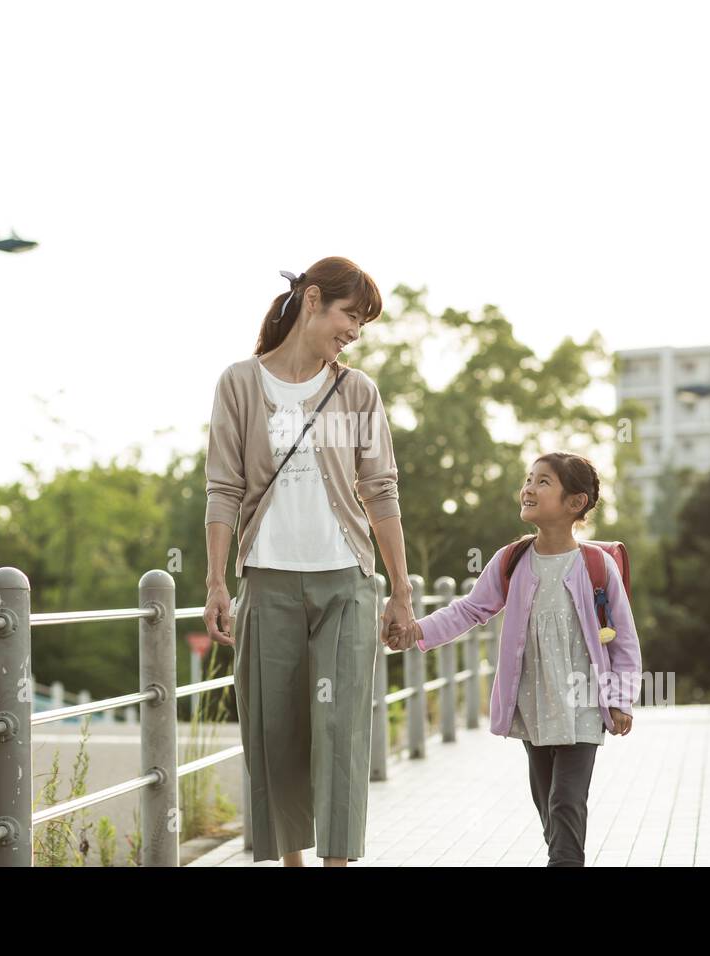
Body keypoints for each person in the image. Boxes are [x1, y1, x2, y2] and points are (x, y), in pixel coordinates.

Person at [203, 256, 416, 866]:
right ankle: (292, 862)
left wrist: (399, 589)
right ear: (313, 300)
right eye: (350, 316)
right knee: (274, 732)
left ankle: (338, 862)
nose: (355, 332)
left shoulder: (357, 391)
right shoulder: (240, 384)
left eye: (363, 325)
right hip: (266, 582)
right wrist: (216, 581)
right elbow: (223, 488)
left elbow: (380, 489)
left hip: (346, 581)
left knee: (341, 731)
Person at [388, 452, 643, 866]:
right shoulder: (513, 560)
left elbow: (624, 642)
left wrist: (620, 699)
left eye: (544, 482)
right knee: (547, 805)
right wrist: (419, 629)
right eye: (529, 479)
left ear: (575, 503)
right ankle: (562, 854)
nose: (529, 488)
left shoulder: (596, 566)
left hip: (583, 705)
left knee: (565, 801)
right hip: (533, 705)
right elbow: (471, 609)